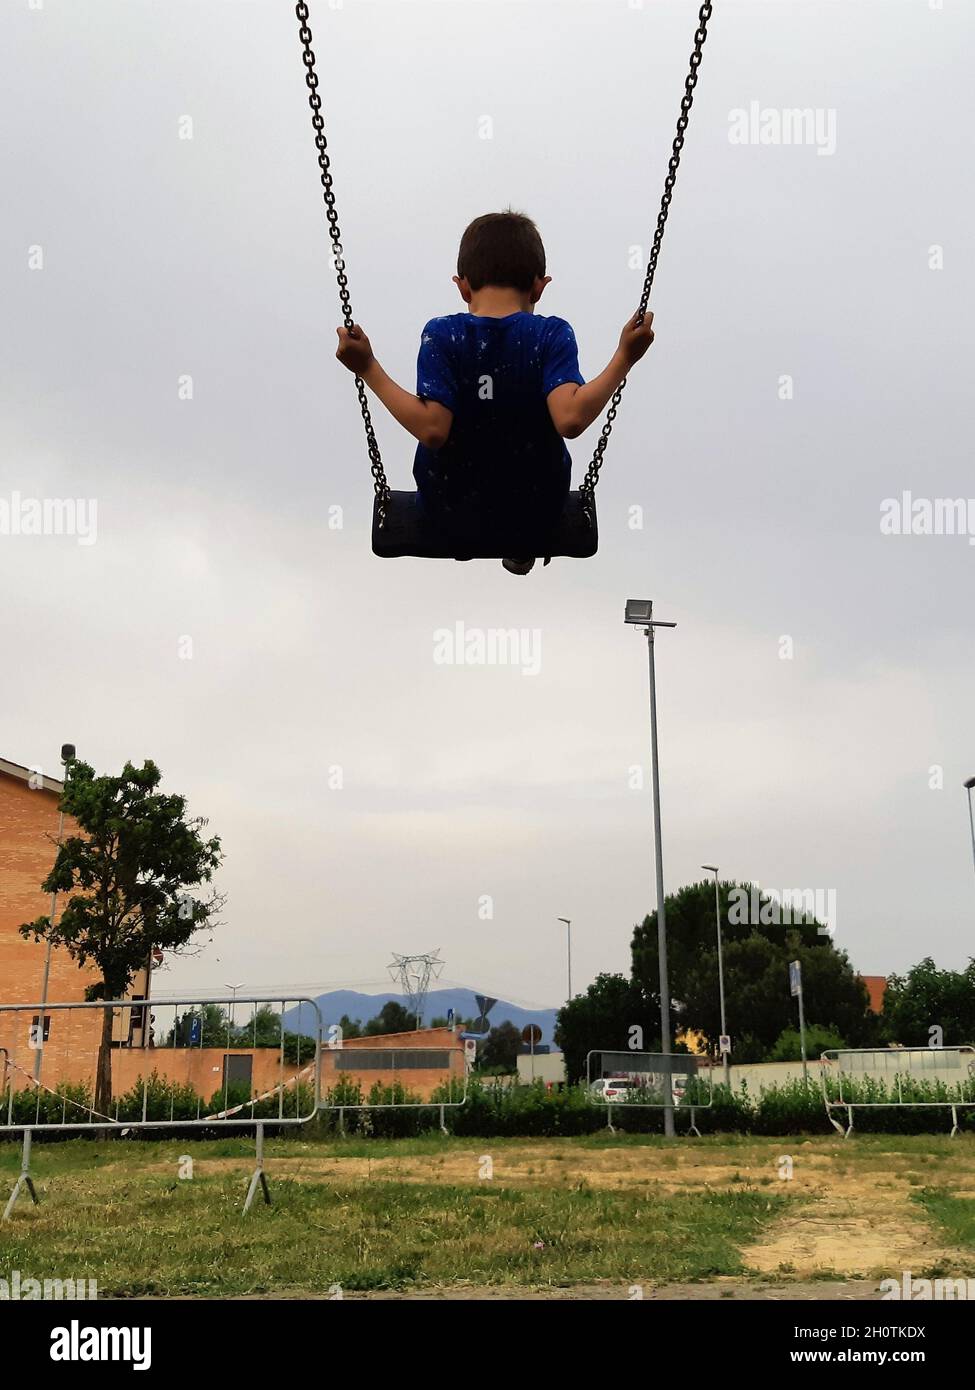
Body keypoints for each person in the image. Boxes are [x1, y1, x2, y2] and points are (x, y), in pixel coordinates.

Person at [336, 210, 655, 573]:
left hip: (449, 505)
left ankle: (468, 541)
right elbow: (570, 419)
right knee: (524, 482)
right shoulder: (551, 335)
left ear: (462, 286)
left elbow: (432, 429)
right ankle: (518, 543)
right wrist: (624, 357)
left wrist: (368, 368)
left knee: (460, 499)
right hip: (537, 507)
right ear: (540, 286)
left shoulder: (443, 334)